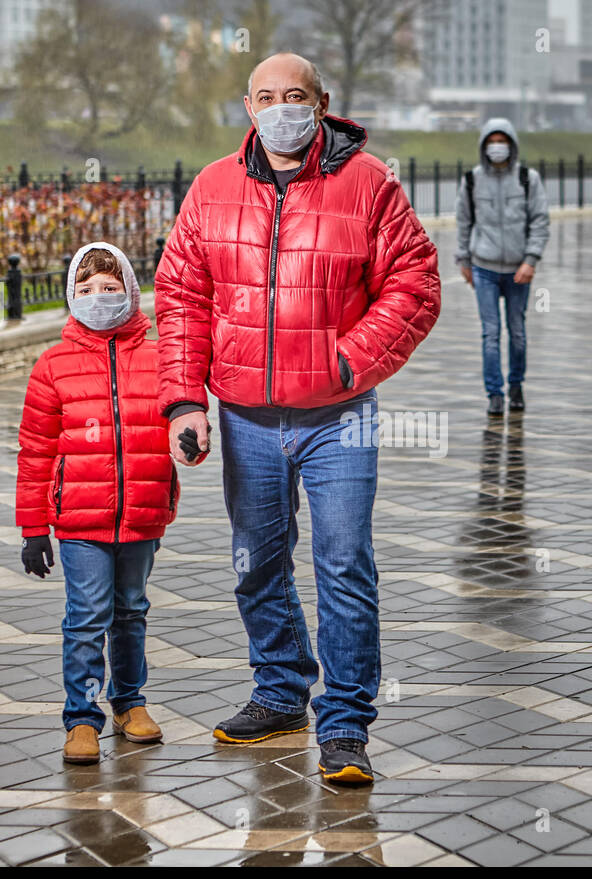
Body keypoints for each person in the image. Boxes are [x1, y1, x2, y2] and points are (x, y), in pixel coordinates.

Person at [153, 52, 439, 785]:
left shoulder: (368, 184)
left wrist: (351, 360)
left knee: (344, 565)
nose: (283, 107)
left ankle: (344, 723)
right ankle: (281, 691)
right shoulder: (212, 187)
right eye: (268, 96)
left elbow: (415, 282)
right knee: (258, 564)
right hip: (245, 415)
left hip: (340, 416)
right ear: (247, 106)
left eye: (297, 95)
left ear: (322, 102)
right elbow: (180, 297)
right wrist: (185, 398)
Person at [16, 241, 176, 765]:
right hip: (79, 520)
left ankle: (130, 703)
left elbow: (181, 426)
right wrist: (33, 527)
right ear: (70, 297)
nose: (97, 298)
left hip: (142, 512)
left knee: (131, 611)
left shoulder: (159, 357)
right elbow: (35, 450)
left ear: (130, 292)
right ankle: (81, 718)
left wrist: (191, 448)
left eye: (109, 289)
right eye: (85, 290)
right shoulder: (53, 365)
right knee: (86, 616)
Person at [455, 117, 550, 416]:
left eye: (502, 142)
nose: (497, 147)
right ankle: (494, 394)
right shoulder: (471, 180)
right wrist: (464, 260)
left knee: (517, 332)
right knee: (490, 333)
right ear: (484, 146)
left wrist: (530, 260)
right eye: (492, 142)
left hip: (518, 271)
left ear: (512, 144)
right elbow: (464, 222)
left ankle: (516, 386)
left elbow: (540, 220)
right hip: (483, 269)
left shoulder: (527, 178)